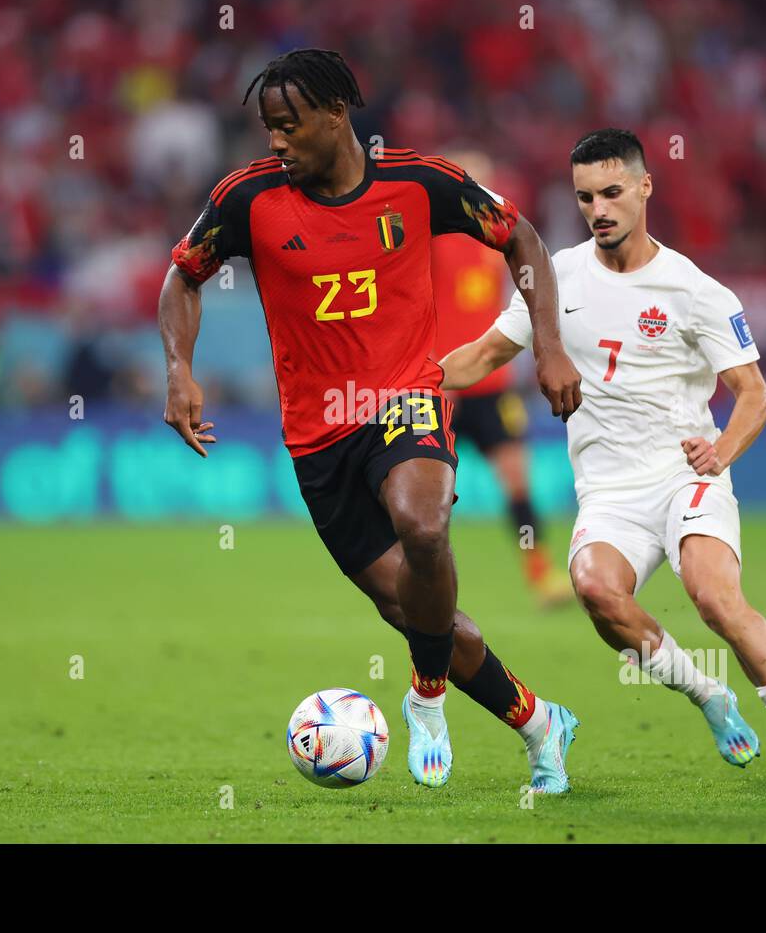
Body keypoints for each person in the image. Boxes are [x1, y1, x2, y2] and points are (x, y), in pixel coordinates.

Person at [159, 49, 584, 791]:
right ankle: (541, 722)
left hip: (402, 396)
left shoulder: (420, 182)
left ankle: (425, 700)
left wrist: (548, 347)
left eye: (289, 126)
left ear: (336, 115)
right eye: (268, 128)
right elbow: (182, 276)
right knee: (420, 616)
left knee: (424, 525)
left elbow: (523, 239)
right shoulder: (246, 198)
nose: (276, 142)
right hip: (316, 436)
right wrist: (178, 369)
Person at [438, 129, 766, 785]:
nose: (599, 208)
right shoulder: (555, 276)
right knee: (596, 591)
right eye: (584, 198)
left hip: (684, 474)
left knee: (714, 596)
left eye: (611, 192)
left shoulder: (694, 290)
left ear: (643, 187)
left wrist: (721, 449)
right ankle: (708, 694)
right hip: (608, 492)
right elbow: (484, 355)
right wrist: (401, 383)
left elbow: (755, 395)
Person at [430, 148, 571, 608]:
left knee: (516, 481)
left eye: (482, 179)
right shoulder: (428, 236)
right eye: (467, 179)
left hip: (492, 384)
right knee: (428, 493)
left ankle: (541, 573)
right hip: (441, 383)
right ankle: (419, 586)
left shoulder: (497, 242)